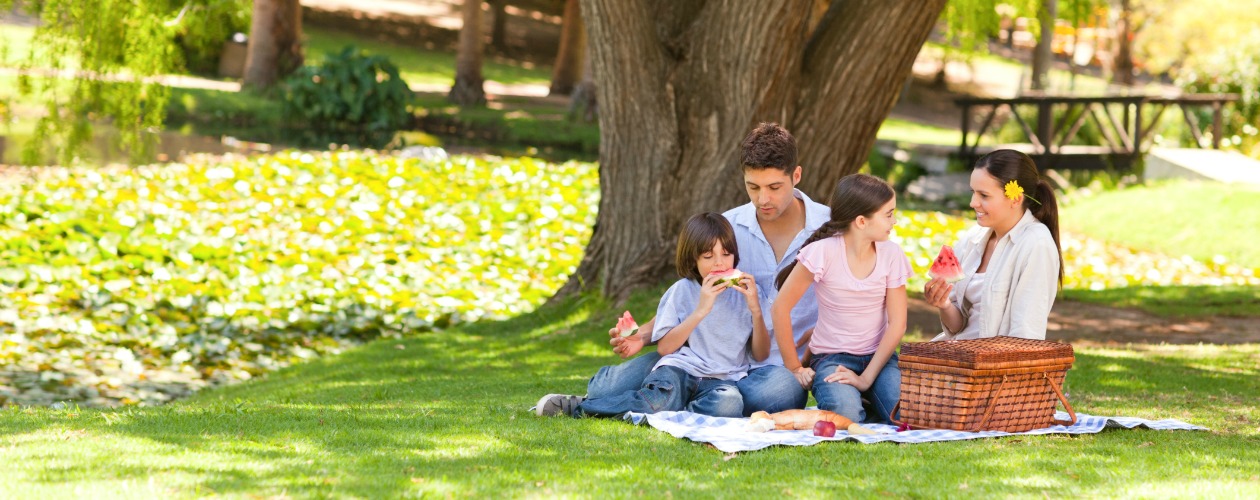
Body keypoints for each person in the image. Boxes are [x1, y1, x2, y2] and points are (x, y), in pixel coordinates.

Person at [533, 123, 830, 417]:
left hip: (773, 366)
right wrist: (642, 334)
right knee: (604, 390)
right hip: (699, 355)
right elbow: (689, 293)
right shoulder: (727, 229)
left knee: (780, 394)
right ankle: (659, 396)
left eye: (774, 187)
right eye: (753, 187)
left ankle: (676, 399)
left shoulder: (829, 230)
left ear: (797, 175)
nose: (763, 199)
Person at [550, 213, 770, 418]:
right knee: (658, 400)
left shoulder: (749, 294)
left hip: (723, 379)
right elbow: (665, 349)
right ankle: (579, 408)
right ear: (693, 259)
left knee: (729, 405)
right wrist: (701, 310)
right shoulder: (682, 290)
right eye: (708, 256)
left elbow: (760, 355)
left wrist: (756, 310)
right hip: (680, 369)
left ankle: (673, 413)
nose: (720, 263)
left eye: (726, 254)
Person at [770, 174, 911, 424]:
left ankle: (864, 392)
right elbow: (780, 308)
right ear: (861, 221)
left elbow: (897, 324)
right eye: (888, 214)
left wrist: (866, 378)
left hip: (878, 356)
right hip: (832, 357)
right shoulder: (822, 252)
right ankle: (854, 399)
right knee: (846, 416)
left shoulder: (892, 254)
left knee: (904, 415)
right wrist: (795, 367)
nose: (895, 221)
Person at [923, 148, 1063, 340]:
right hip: (957, 352)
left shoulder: (1036, 244)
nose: (973, 203)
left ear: (1015, 199)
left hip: (995, 363)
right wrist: (944, 304)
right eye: (973, 192)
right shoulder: (973, 237)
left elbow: (1026, 332)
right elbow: (957, 327)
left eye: (984, 195)